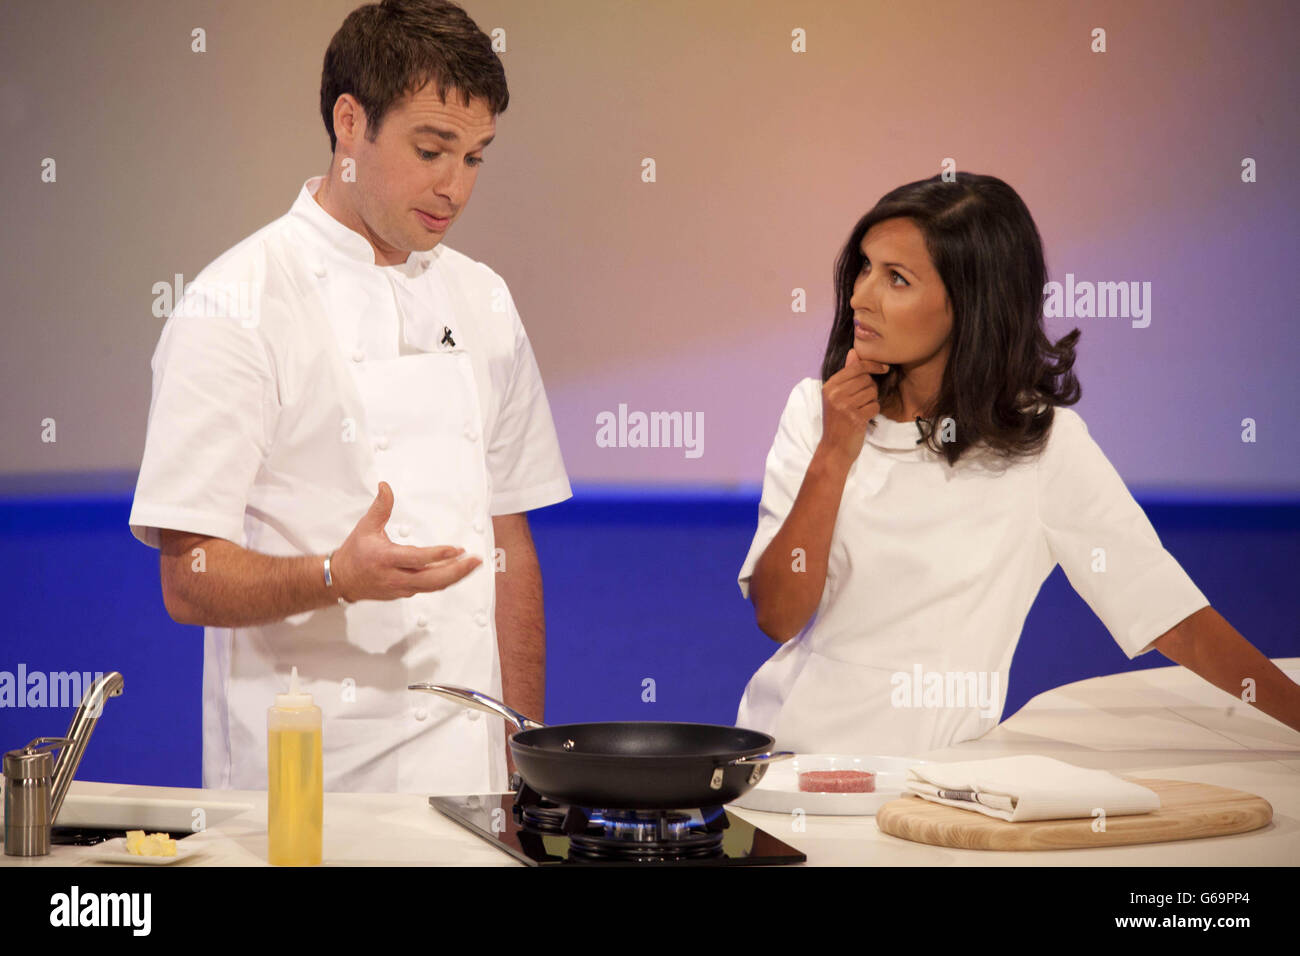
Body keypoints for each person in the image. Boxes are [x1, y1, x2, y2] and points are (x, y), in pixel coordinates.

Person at [128, 0, 570, 793]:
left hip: (476, 786)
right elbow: (187, 575)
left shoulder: (485, 300)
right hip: (307, 790)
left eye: (475, 158)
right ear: (349, 124)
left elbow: (511, 544)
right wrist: (334, 574)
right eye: (432, 149)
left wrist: (525, 758)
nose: (455, 187)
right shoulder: (237, 303)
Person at [737, 172, 1300, 756]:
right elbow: (778, 617)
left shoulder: (1043, 445)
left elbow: (1172, 617)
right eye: (864, 267)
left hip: (932, 795)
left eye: (896, 278)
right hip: (785, 766)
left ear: (973, 303)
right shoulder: (816, 410)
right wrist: (834, 453)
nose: (860, 295)